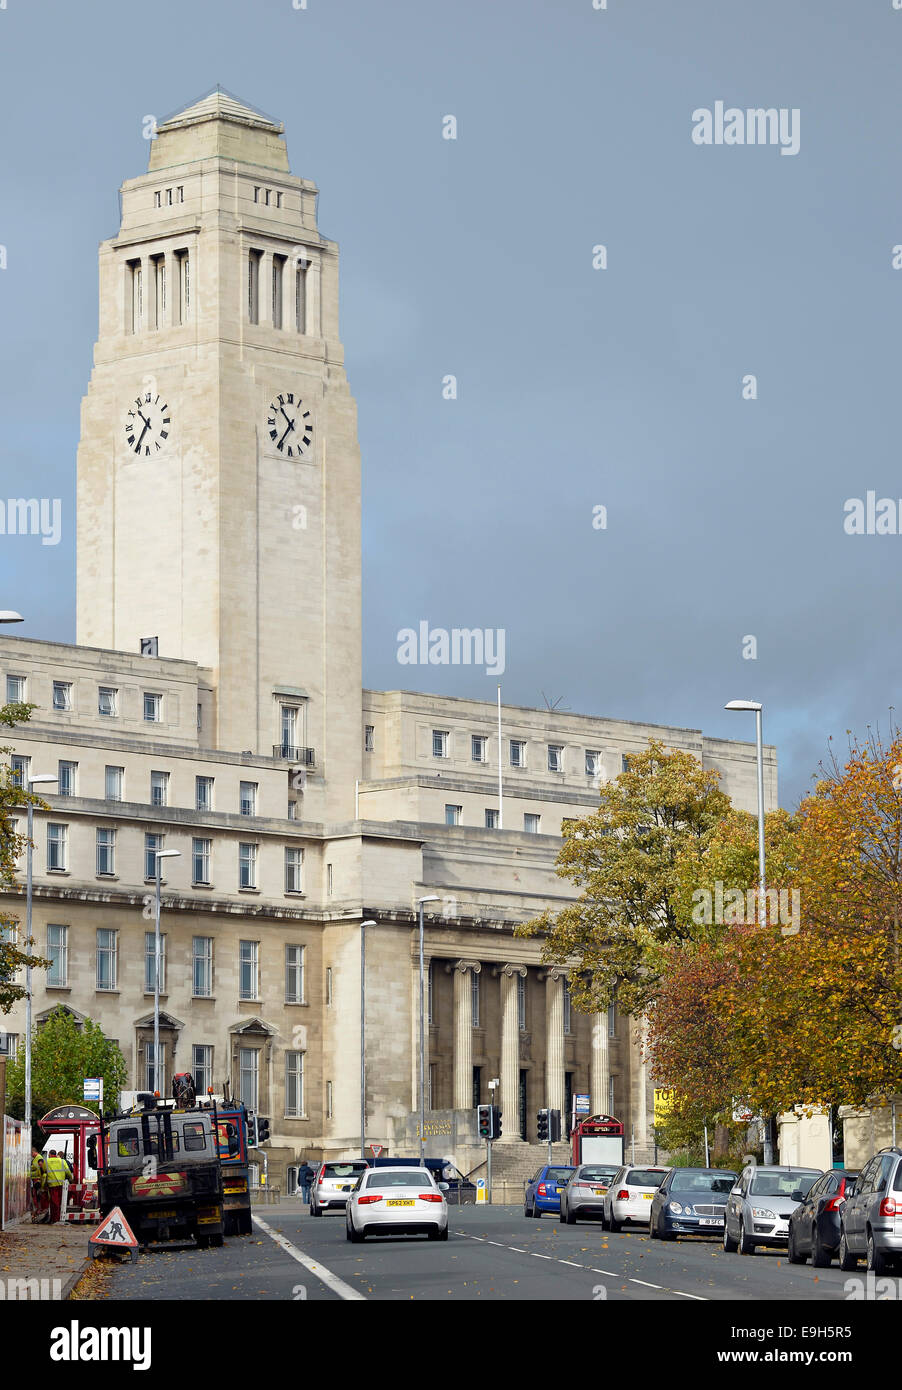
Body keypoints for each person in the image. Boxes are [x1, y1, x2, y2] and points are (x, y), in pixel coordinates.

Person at [44, 1148, 74, 1224]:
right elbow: (68, 1171)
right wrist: (70, 1179)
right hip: (61, 1185)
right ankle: (58, 1218)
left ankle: (54, 1219)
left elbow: (44, 1172)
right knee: (61, 1202)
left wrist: (43, 1184)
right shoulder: (62, 1161)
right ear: (55, 1154)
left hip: (52, 1185)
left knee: (54, 1203)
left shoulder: (46, 1161)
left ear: (49, 1155)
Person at [29, 1146, 49, 1223]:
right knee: (37, 1196)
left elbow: (42, 1167)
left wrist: (40, 1178)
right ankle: (38, 1210)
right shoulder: (36, 1158)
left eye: (31, 1154)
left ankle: (40, 1210)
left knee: (38, 1196)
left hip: (38, 1180)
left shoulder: (39, 1158)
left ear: (33, 1152)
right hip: (35, 1180)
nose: (31, 1156)